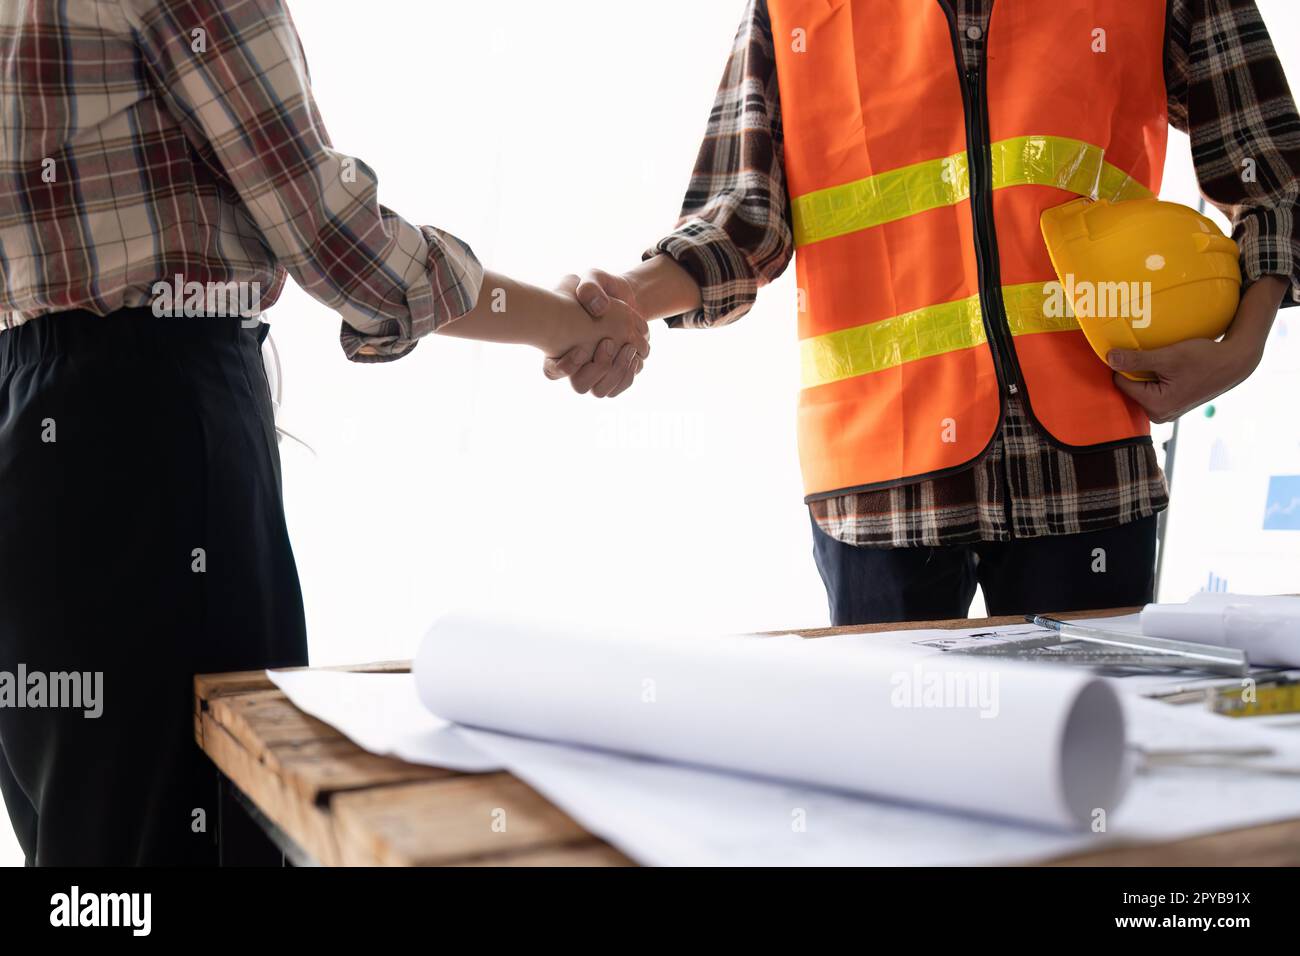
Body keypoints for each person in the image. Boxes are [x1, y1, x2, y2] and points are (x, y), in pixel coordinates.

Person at [0, 0, 646, 865]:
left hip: (26, 428)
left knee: (90, 855)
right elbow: (343, 245)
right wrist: (562, 322)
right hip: (144, 427)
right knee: (198, 831)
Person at [551, 0, 1300, 625]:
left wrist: (1245, 345)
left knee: (1083, 770)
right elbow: (742, 218)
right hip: (880, 486)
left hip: (1089, 468)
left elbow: (1269, 170)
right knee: (896, 775)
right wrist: (627, 298)